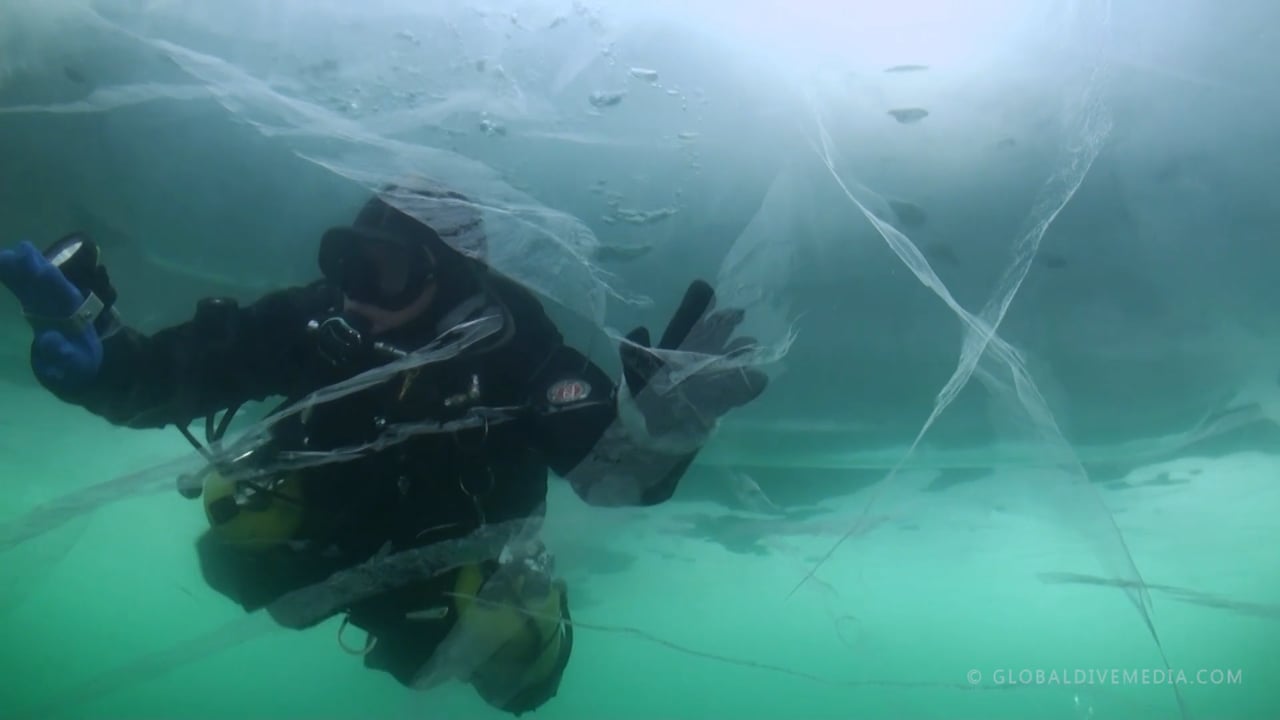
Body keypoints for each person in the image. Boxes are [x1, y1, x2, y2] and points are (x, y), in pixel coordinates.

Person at [0, 185, 768, 714]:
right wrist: (103, 362)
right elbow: (165, 381)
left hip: (450, 579)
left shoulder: (516, 348)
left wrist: (674, 421)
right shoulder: (316, 321)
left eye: (387, 269)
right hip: (327, 550)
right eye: (347, 263)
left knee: (522, 675)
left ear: (448, 271)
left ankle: (517, 656)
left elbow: (615, 478)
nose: (359, 292)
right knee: (229, 548)